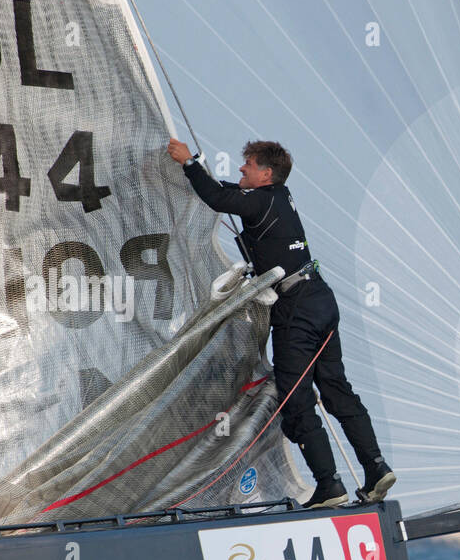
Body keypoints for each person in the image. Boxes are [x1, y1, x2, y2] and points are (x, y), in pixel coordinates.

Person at [166, 138, 395, 508]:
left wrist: (189, 164)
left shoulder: (261, 199)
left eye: (248, 166)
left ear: (266, 173)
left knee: (295, 398)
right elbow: (226, 192)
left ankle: (329, 485)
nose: (241, 169)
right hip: (320, 299)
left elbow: (220, 200)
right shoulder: (276, 197)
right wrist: (196, 169)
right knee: (336, 390)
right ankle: (376, 468)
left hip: (298, 308)